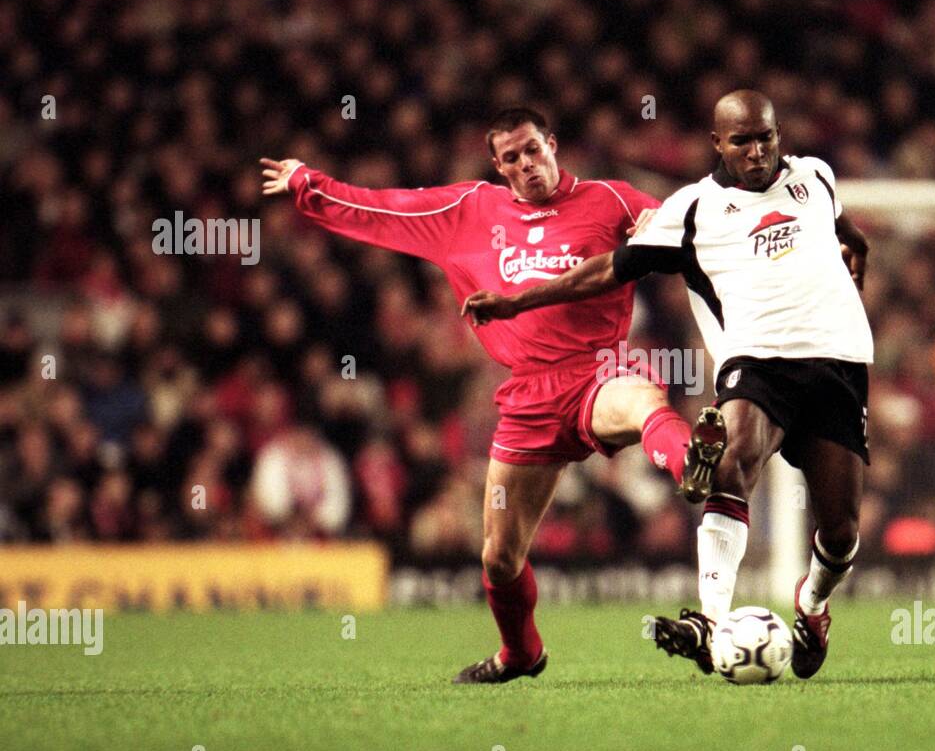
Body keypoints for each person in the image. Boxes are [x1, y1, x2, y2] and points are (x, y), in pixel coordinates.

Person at [260, 107, 727, 684]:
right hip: (528, 395)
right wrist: (310, 185)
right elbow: (384, 208)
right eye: (512, 157)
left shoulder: (614, 200)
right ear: (498, 166)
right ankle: (520, 655)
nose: (527, 164)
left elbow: (692, 234)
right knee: (498, 558)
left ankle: (693, 466)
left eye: (533, 149)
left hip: (597, 369)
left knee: (642, 404)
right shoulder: (469, 210)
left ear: (553, 145)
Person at [462, 91, 871, 679]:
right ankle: (712, 621)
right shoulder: (694, 209)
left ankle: (812, 604)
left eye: (765, 138)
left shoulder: (815, 176)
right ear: (717, 144)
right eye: (741, 142)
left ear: (778, 135)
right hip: (756, 362)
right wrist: (515, 301)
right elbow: (608, 267)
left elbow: (838, 222)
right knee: (730, 464)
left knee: (841, 530)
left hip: (838, 363)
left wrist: (859, 245)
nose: (756, 153)